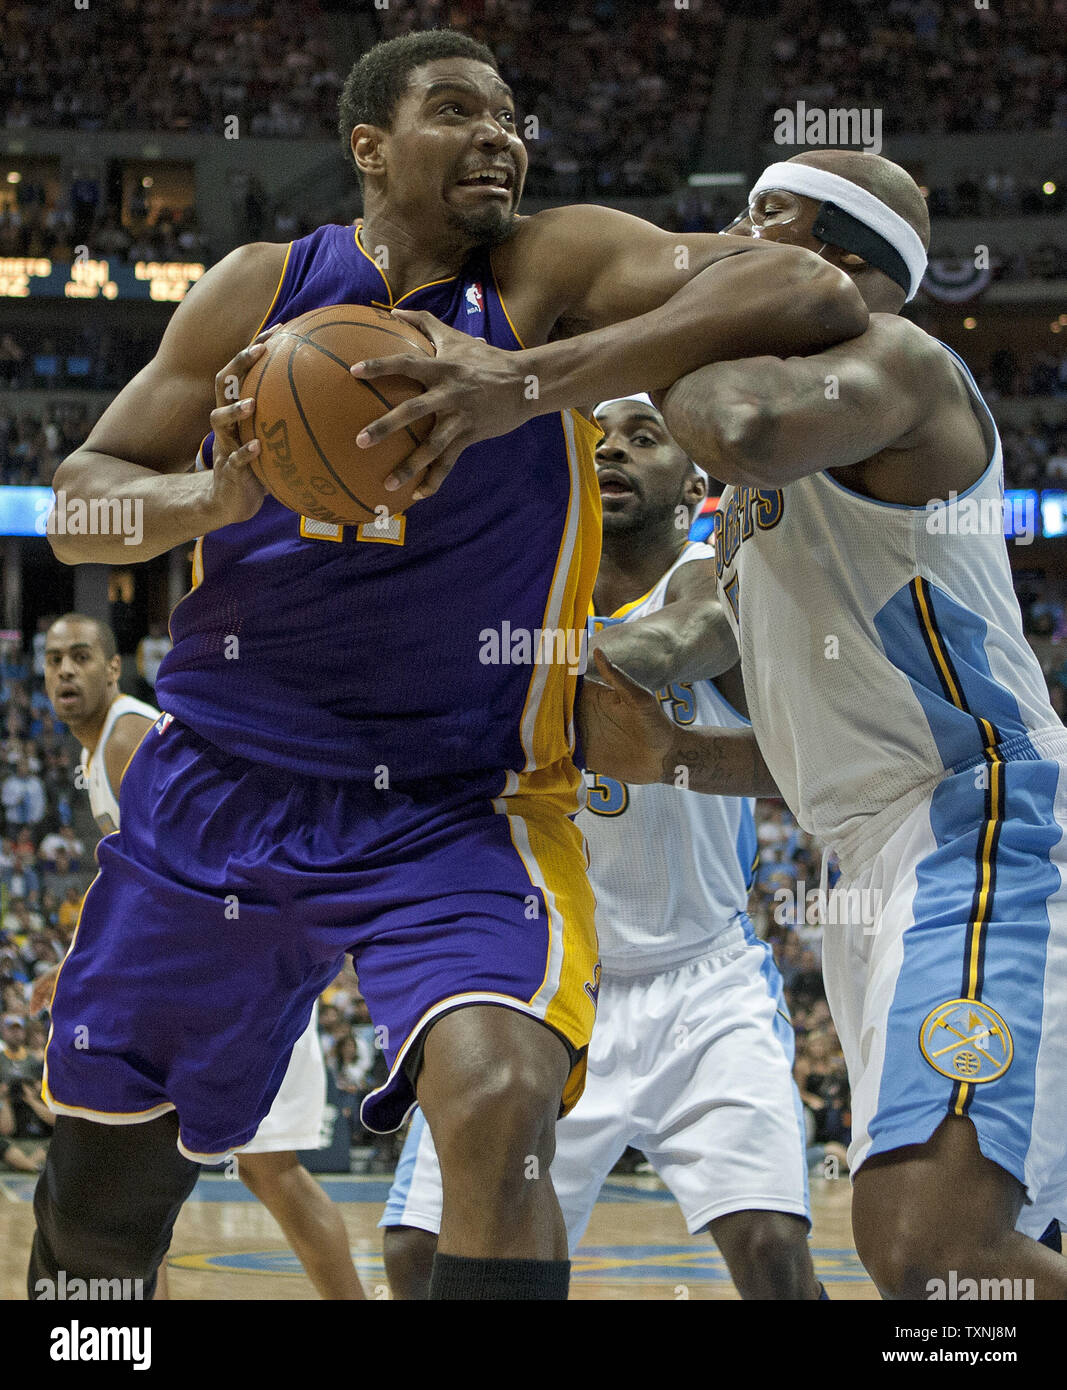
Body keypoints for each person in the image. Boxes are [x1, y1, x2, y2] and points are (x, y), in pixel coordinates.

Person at [35, 28, 866, 1302]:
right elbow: (75, 505)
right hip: (223, 780)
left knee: (497, 1088)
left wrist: (528, 385)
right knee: (107, 1195)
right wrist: (208, 498)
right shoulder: (261, 286)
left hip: (457, 794)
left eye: (512, 116)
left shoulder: (550, 268)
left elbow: (812, 296)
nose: (500, 135)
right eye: (458, 111)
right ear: (369, 147)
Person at [578, 150, 1067, 1297]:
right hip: (881, 852)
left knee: (932, 1251)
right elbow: (663, 646)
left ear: (839, 262)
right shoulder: (746, 516)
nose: (728, 242)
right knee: (962, 1260)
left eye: (764, 220)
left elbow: (736, 421)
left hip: (984, 824)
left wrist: (660, 317)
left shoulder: (898, 366)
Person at [381, 396, 821, 1300]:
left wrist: (569, 672)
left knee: (772, 1248)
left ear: (694, 485)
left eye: (644, 437)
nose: (613, 449)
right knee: (417, 1251)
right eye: (597, 439)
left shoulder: (721, 587)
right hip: (541, 976)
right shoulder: (526, 589)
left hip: (701, 985)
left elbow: (696, 630)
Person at [39, 613, 364, 1300]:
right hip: (210, 988)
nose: (65, 671)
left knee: (249, 1171)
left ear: (113, 669)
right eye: (53, 660)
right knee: (204, 1172)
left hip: (227, 994)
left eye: (81, 656)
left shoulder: (128, 735)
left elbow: (177, 877)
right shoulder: (100, 746)